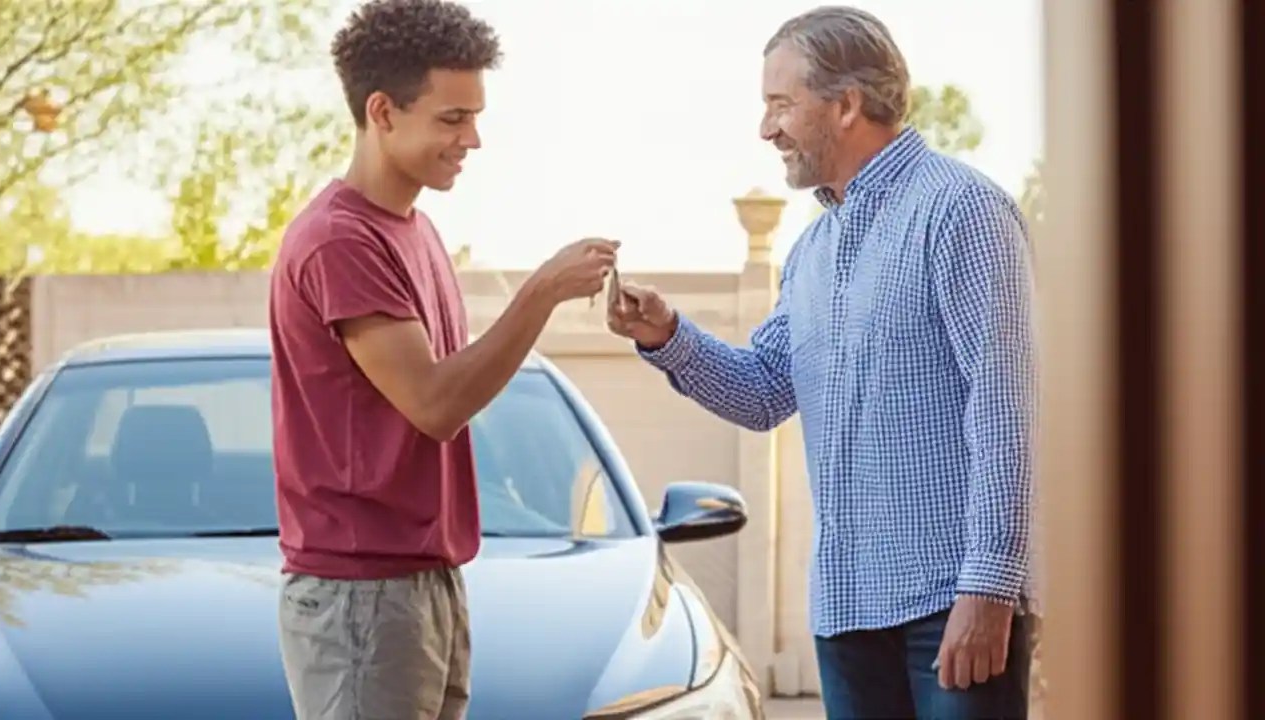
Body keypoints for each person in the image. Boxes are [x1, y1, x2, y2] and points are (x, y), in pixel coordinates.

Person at [608, 6, 1036, 720]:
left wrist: (990, 585)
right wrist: (667, 335)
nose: (766, 128)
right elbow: (766, 391)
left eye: (781, 103)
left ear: (845, 105)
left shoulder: (963, 213)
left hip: (952, 604)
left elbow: (1006, 408)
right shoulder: (811, 252)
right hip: (846, 611)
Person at [268, 1, 617, 718]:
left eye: (475, 116)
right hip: (362, 596)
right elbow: (434, 403)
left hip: (423, 580)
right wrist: (543, 291)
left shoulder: (413, 231)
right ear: (383, 112)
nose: (474, 139)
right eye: (453, 119)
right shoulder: (341, 243)